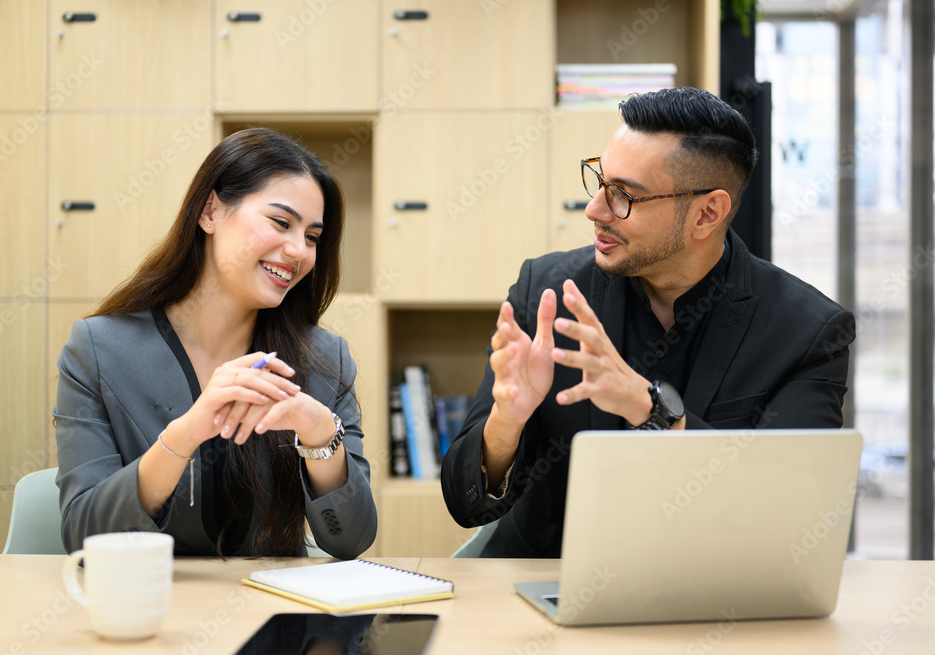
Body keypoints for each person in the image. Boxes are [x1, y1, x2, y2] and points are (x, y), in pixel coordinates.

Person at [441, 87, 855, 558]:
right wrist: (506, 422)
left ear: (707, 213)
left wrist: (648, 408)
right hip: (545, 581)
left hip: (713, 587)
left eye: (624, 195)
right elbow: (463, 504)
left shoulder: (806, 333)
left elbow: (792, 515)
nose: (595, 209)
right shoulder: (548, 294)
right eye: (600, 181)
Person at [54, 128, 377, 558]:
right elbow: (83, 536)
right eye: (281, 223)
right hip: (150, 597)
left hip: (272, 600)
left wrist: (322, 436)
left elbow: (351, 539)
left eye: (312, 237)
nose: (299, 251)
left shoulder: (324, 359)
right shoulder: (97, 350)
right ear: (210, 212)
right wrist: (185, 435)